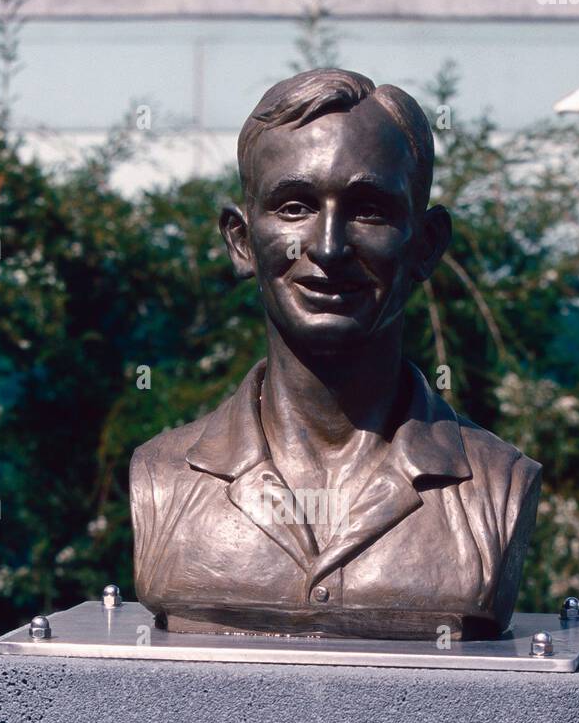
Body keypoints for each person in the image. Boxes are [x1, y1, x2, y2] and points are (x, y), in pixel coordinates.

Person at [130, 68, 541, 640]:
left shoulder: (496, 486)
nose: (327, 247)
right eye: (295, 206)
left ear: (425, 246)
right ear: (242, 241)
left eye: (369, 210)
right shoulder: (162, 478)